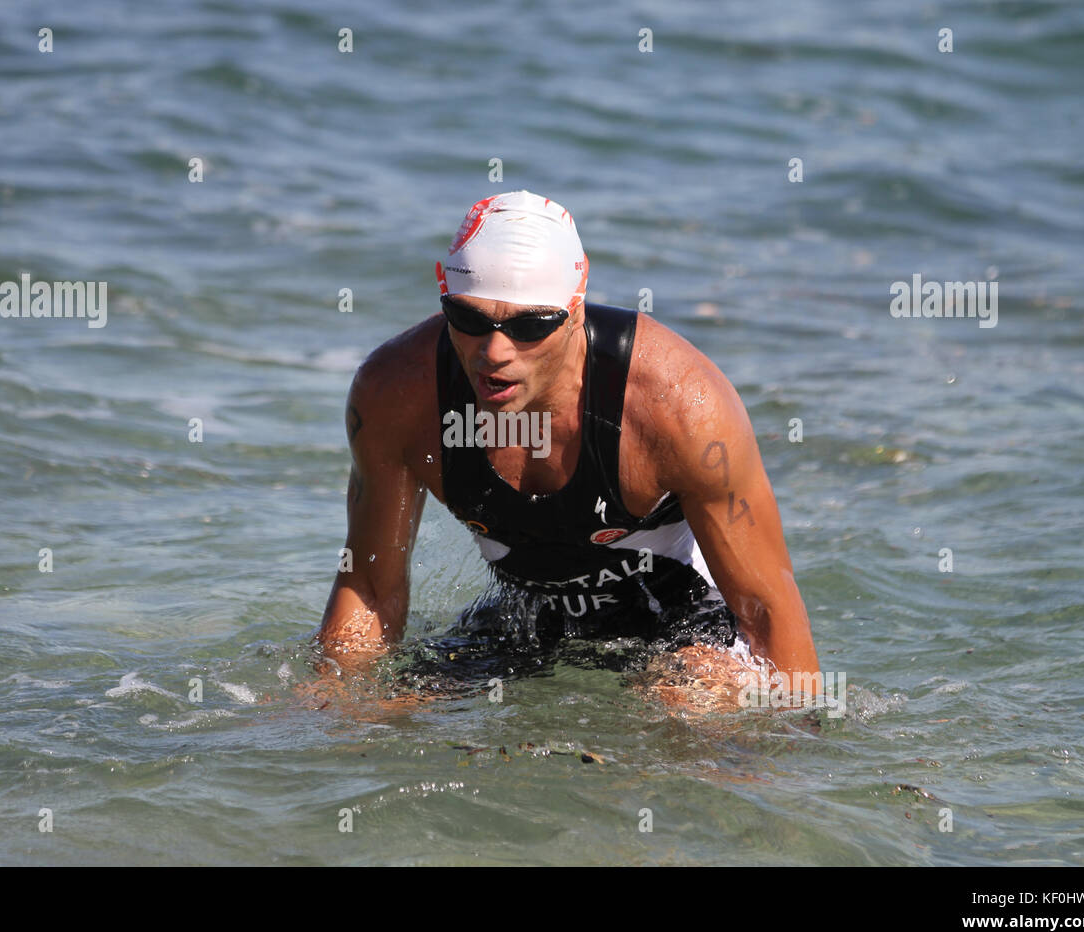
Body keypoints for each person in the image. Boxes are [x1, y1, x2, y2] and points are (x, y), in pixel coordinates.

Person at [315, 190, 820, 706]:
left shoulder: (677, 405)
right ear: (443, 293)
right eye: (469, 319)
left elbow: (767, 607)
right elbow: (371, 591)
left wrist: (799, 752)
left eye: (529, 327)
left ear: (574, 307)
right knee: (380, 700)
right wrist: (337, 712)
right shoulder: (396, 392)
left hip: (690, 623)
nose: (495, 353)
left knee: (686, 695)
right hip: (529, 622)